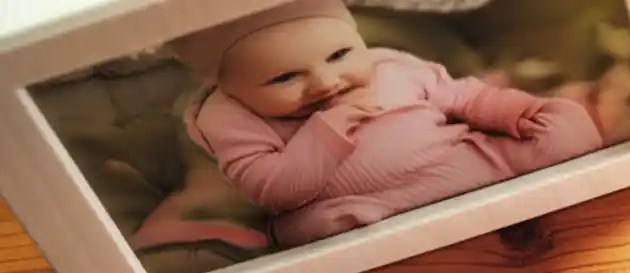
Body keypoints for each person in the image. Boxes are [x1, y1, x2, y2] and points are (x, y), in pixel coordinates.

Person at [169, 0, 603, 247]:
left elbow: (463, 96)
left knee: (567, 128)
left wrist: (511, 112)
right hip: (367, 209)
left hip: (472, 163)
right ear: (233, 90)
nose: (325, 82)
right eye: (285, 78)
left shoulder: (388, 65)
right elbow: (277, 190)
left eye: (339, 55)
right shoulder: (234, 120)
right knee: (303, 233)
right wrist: (328, 127)